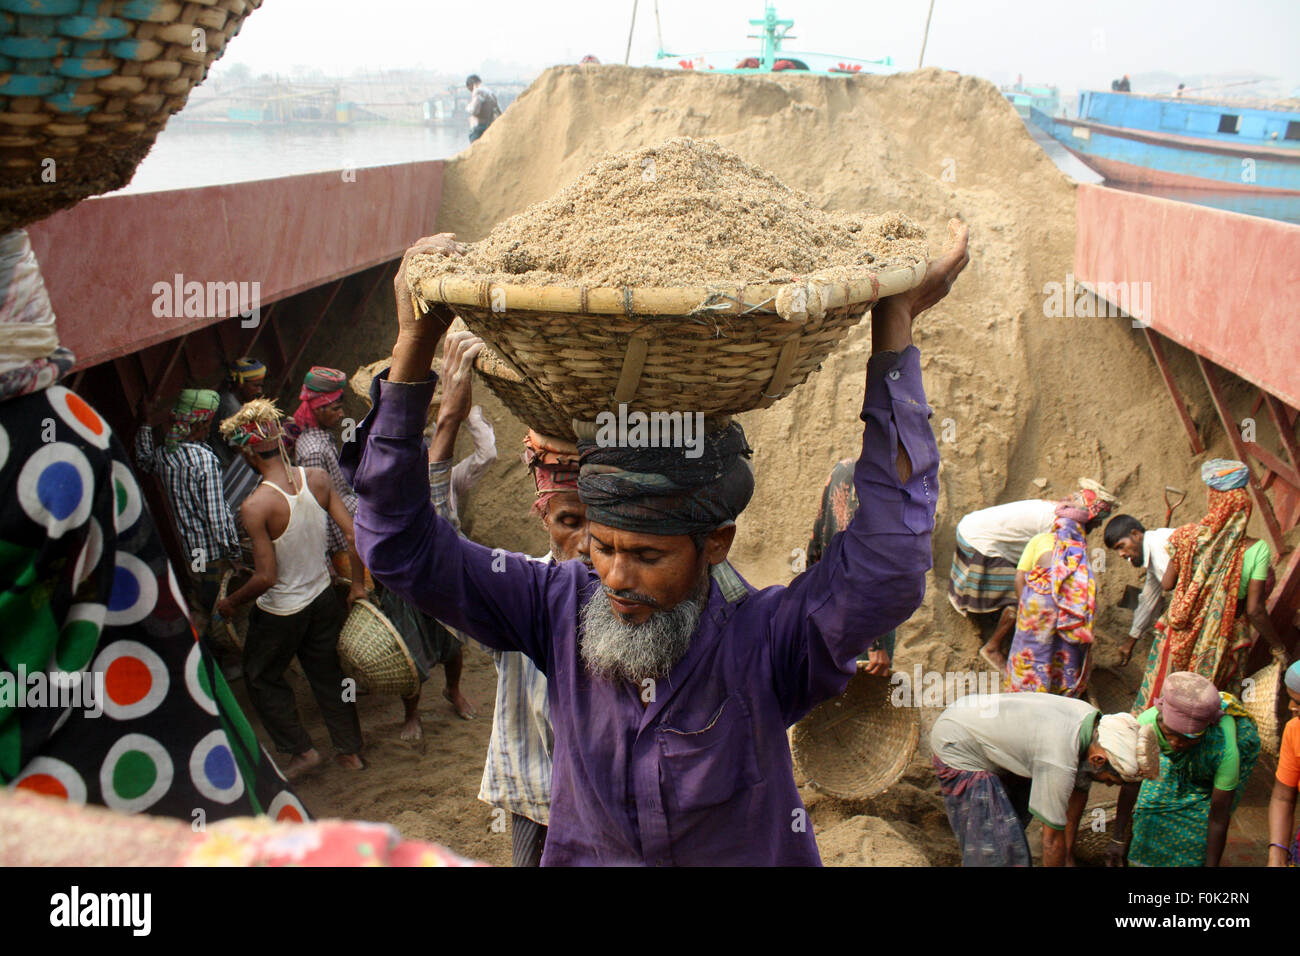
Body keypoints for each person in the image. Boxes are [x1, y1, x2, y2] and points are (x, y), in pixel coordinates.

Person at [341, 221, 969, 865]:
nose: (613, 575)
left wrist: (894, 326)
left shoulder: (768, 642)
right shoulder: (556, 606)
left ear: (716, 546)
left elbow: (887, 565)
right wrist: (414, 341)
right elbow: (397, 548)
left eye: (647, 556)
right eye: (603, 545)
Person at [0, 226, 302, 821]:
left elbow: (151, 454)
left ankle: (227, 646)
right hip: (211, 555)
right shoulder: (93, 448)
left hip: (195, 558)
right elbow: (206, 506)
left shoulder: (172, 456)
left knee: (215, 621)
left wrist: (148, 424)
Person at [217, 399, 366, 778]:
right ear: (279, 440)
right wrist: (358, 586)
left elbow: (265, 577)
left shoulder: (256, 506)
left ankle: (301, 750)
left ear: (247, 452)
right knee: (329, 674)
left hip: (282, 611)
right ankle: (350, 752)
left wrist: (230, 601)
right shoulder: (315, 479)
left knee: (260, 676)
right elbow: (353, 533)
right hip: (323, 598)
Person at [477, 424, 588, 867]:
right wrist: (445, 430)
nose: (585, 542)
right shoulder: (517, 592)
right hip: (537, 792)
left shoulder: (635, 596)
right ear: (543, 517)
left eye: (602, 520)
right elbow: (431, 558)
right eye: (569, 521)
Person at [373, 336, 491, 730]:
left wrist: (462, 414)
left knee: (451, 643)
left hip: (438, 569)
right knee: (411, 647)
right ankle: (412, 715)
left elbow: (458, 451)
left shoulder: (424, 459)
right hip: (404, 578)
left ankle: (453, 691)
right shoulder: (378, 463)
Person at [931, 693, 1159, 866]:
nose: (1108, 784)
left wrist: (1068, 855)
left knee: (1011, 825)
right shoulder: (1059, 759)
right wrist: (1059, 851)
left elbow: (1077, 791)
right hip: (959, 743)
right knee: (999, 853)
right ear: (1098, 760)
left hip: (987, 727)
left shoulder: (1092, 724)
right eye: (1111, 779)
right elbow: (1050, 841)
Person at [1132, 460, 1286, 712]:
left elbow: (1168, 584)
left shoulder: (1187, 536)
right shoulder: (1257, 549)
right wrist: (1278, 647)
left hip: (1177, 635)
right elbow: (1255, 610)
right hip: (1221, 643)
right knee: (1200, 710)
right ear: (1244, 510)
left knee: (1162, 699)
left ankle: (1144, 739)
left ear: (1213, 500)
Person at [950, 479, 1114, 671]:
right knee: (1027, 596)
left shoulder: (1057, 510)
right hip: (979, 541)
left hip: (971, 525)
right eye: (1094, 524)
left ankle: (997, 612)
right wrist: (1027, 603)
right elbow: (1044, 575)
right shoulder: (1057, 527)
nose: (1093, 529)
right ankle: (992, 647)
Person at [1110, 671, 1261, 867]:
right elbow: (1132, 785)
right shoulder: (1147, 725)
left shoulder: (1225, 749)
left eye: (1187, 738)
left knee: (1197, 837)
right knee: (1148, 815)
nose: (1175, 744)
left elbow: (1218, 816)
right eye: (1170, 734)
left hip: (1209, 770)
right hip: (1178, 758)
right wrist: (1118, 839)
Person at [134, 386, 240, 622]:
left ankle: (205, 637)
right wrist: (233, 550)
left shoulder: (163, 456)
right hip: (208, 550)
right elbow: (216, 515)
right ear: (199, 425)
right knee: (216, 605)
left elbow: (144, 461)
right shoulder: (205, 460)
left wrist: (145, 424)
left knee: (198, 600)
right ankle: (219, 643)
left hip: (186, 550)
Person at [1005, 490, 1110, 697]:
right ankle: (1058, 699)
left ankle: (1022, 696)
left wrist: (1024, 610)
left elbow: (1020, 578)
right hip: (1066, 617)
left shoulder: (1040, 539)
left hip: (1035, 609)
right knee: (1060, 657)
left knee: (1030, 655)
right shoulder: (1078, 552)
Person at [807, 457, 893, 674]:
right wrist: (876, 643)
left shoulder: (843, 469)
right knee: (859, 699)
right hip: (863, 619)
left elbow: (817, 536)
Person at [291, 366, 357, 576]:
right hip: (341, 542)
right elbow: (316, 510)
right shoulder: (313, 451)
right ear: (318, 409)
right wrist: (326, 561)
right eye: (335, 409)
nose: (342, 414)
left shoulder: (322, 437)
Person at [1104, 514, 1174, 666]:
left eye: (1121, 546)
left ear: (1136, 534)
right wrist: (1130, 643)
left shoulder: (1161, 544)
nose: (1121, 554)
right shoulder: (1152, 561)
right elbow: (1148, 601)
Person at [212, 357, 267, 524]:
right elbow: (242, 448)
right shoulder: (231, 408)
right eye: (255, 385)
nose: (259, 391)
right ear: (240, 383)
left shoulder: (230, 399)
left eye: (260, 385)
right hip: (226, 469)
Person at [1267, 660, 1300, 866]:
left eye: (1299, 703)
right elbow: (1283, 798)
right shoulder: (1294, 730)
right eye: (1291, 699)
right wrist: (1277, 854)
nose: (1291, 708)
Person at [465, 74, 501, 143]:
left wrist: (467, 107)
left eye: (470, 89)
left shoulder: (478, 91)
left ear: (471, 85)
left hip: (478, 129)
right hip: (489, 127)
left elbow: (474, 110)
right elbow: (498, 112)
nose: (471, 92)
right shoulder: (491, 93)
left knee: (475, 150)